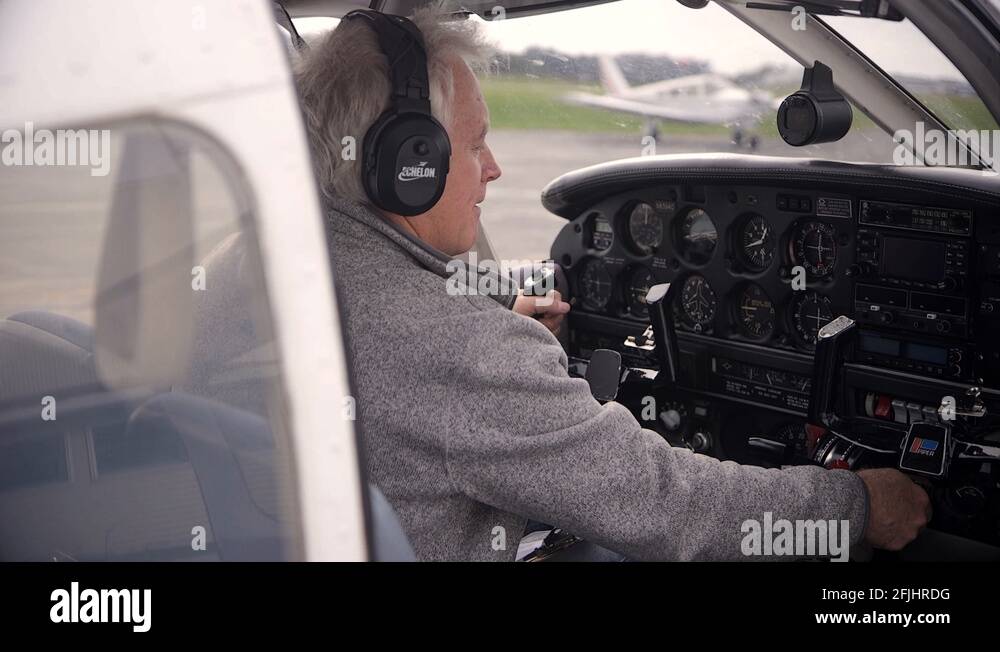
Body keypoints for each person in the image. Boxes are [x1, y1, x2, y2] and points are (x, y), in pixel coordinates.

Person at [294, 6, 930, 561]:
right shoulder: (458, 349)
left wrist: (500, 313)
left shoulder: (275, 271)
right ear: (410, 163)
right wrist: (854, 508)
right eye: (477, 143)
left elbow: (408, 315)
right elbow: (665, 508)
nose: (494, 168)